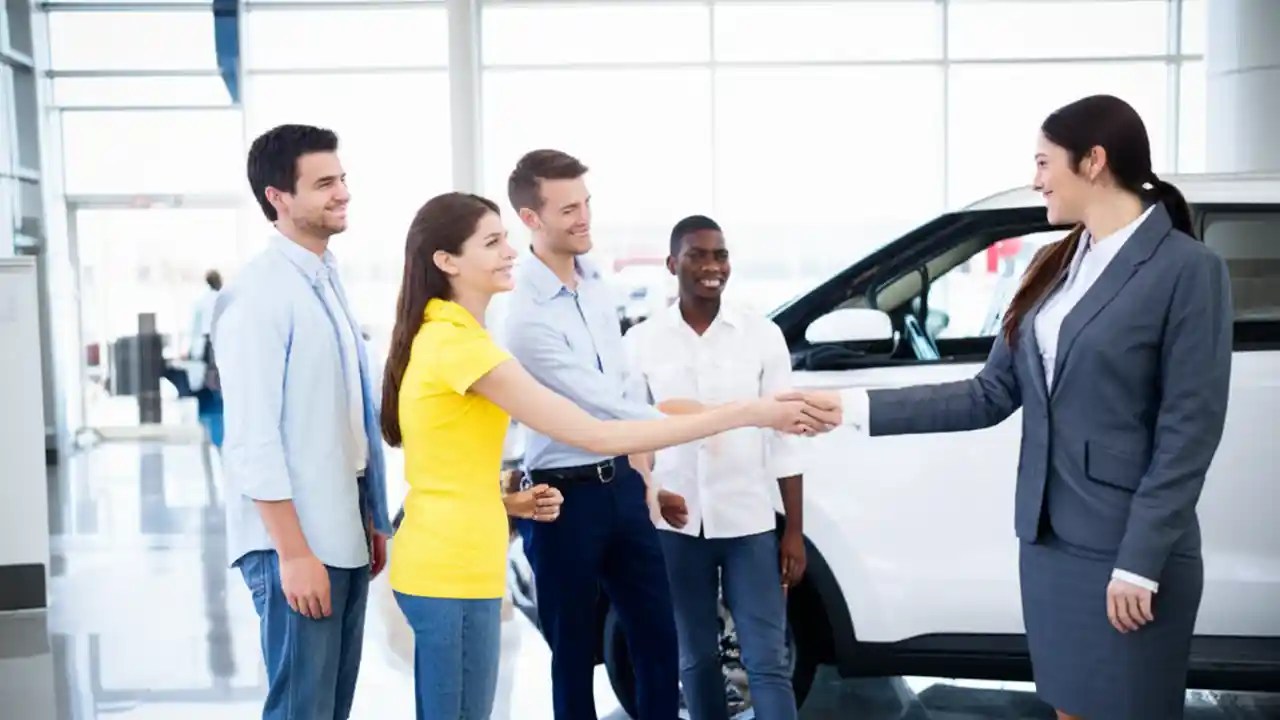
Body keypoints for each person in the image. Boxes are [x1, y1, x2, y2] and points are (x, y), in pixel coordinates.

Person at [787, 95, 1232, 720]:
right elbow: (987, 394)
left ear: (1094, 162)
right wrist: (851, 407)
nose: (1036, 178)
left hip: (1129, 549)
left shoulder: (1188, 270)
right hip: (1050, 545)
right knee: (1070, 709)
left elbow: (1189, 431)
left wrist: (1140, 561)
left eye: (1044, 161)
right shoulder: (1053, 265)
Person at [379, 191, 835, 720]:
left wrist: (510, 502)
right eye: (493, 241)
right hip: (444, 568)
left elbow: (449, 459)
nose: (510, 251)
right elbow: (597, 431)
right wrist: (751, 413)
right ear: (447, 261)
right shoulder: (459, 346)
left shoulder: (463, 336)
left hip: (469, 562)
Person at [212, 124, 394, 720]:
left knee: (329, 709)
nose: (342, 192)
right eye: (323, 183)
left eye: (341, 179)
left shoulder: (323, 279)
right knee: (302, 710)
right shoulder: (260, 295)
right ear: (278, 198)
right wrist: (292, 553)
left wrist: (366, 515)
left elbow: (343, 421)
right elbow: (252, 440)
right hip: (294, 544)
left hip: (339, 531)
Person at [498, 149, 665, 718]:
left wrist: (642, 471)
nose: (584, 217)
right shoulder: (521, 313)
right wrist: (711, 420)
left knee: (657, 636)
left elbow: (624, 381)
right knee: (572, 652)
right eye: (568, 208)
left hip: (619, 482)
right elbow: (600, 404)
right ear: (530, 219)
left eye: (586, 203)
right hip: (560, 498)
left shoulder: (596, 282)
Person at [624, 215, 806, 720]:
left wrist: (794, 530)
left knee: (767, 659)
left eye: (720, 255)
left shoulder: (762, 335)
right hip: (676, 524)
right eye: (697, 255)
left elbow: (785, 437)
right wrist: (653, 491)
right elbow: (632, 436)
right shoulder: (641, 342)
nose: (711, 267)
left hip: (749, 520)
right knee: (696, 657)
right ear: (671, 264)